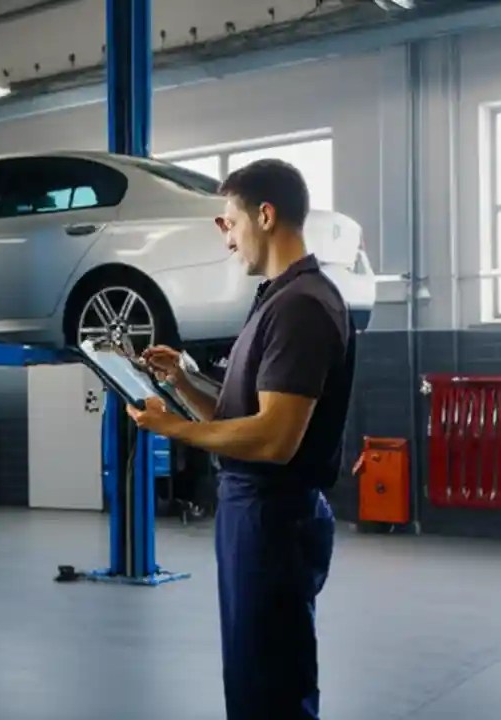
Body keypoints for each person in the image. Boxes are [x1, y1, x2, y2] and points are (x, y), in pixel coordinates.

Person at [126, 158, 357, 719]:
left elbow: (275, 437)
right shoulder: (279, 299)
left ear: (266, 215)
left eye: (229, 222)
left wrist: (172, 428)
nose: (226, 238)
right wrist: (181, 378)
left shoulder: (301, 307)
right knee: (255, 671)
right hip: (253, 512)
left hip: (271, 517)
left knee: (270, 681)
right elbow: (239, 413)